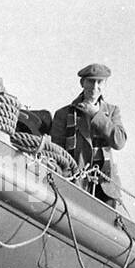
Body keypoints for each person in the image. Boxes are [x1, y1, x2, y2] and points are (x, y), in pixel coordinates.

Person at [51, 63, 127, 206]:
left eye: (100, 82)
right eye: (91, 81)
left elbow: (119, 141)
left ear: (105, 85)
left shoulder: (112, 112)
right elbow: (56, 152)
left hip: (105, 186)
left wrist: (95, 115)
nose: (95, 86)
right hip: (75, 182)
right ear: (82, 83)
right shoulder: (63, 114)